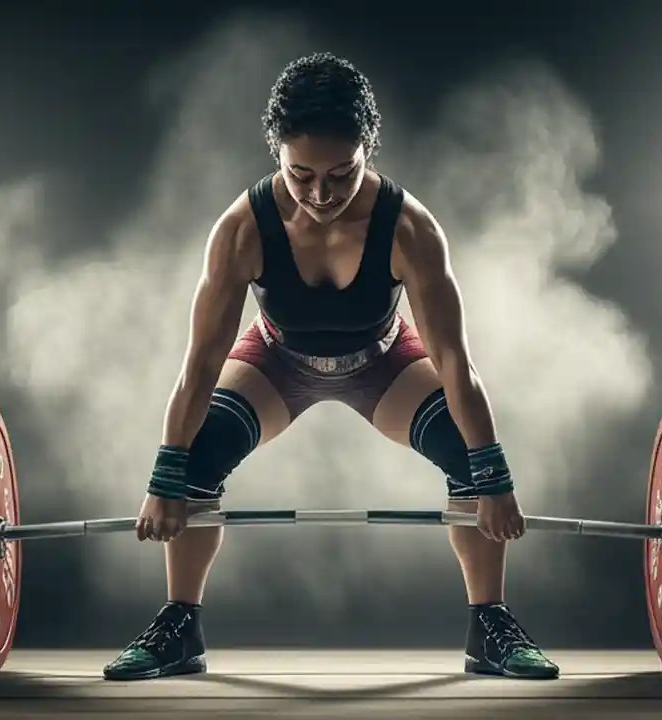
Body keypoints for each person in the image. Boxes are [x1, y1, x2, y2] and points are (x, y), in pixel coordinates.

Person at [103, 51, 558, 681]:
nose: (321, 194)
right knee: (195, 457)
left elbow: (454, 359)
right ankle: (180, 627)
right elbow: (201, 361)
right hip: (277, 361)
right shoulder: (242, 229)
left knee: (469, 455)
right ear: (277, 154)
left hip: (381, 362)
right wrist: (165, 479)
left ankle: (490, 627)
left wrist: (495, 479)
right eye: (301, 174)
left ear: (369, 148)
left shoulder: (410, 229)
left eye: (342, 174)